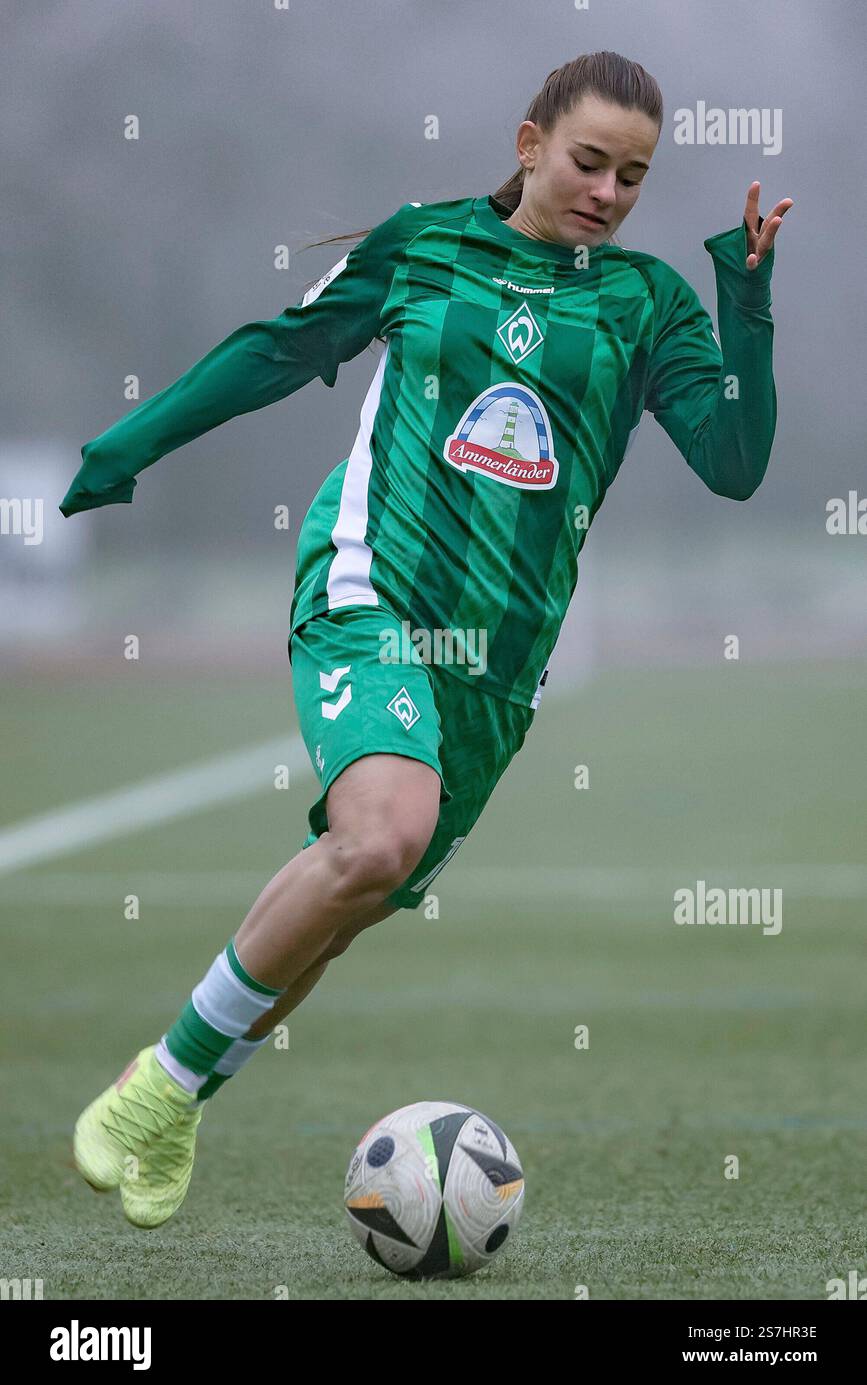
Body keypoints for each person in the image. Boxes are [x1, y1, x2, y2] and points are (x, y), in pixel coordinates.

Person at [61, 50, 791, 1229]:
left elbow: (737, 462)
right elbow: (278, 349)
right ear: (527, 142)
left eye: (635, 178)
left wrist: (748, 301)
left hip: (496, 675)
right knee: (380, 836)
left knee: (347, 907)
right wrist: (132, 443)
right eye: (588, 161)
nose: (608, 192)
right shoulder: (423, 245)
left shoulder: (646, 301)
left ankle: (187, 1089)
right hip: (372, 595)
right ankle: (156, 1086)